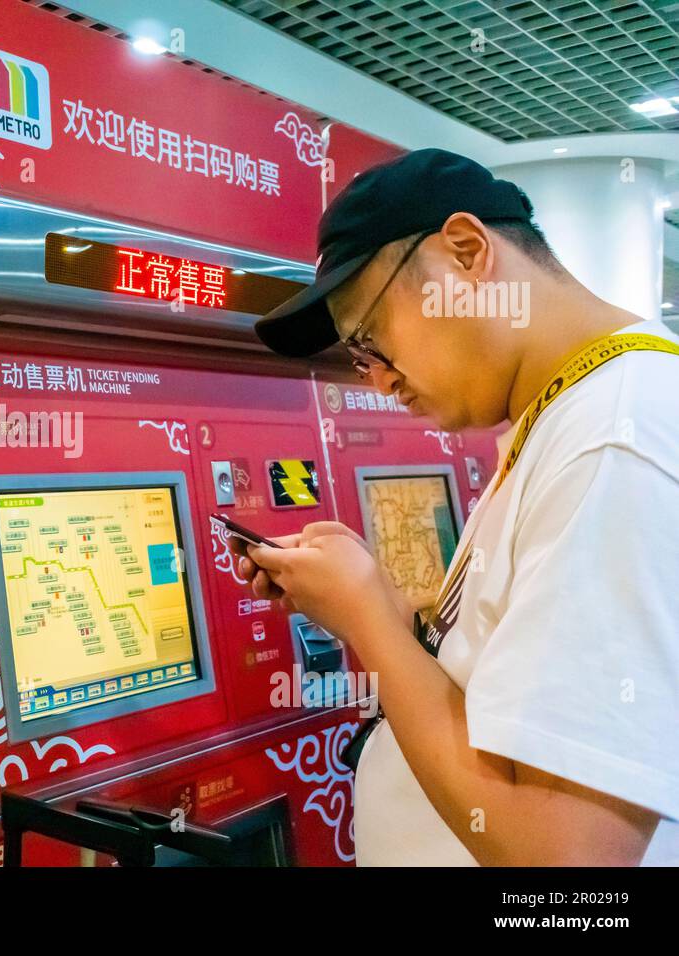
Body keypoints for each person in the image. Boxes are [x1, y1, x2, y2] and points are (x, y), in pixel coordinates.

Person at [230, 148, 679, 866]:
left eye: (371, 340)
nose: (378, 383)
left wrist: (370, 626)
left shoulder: (611, 442)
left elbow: (566, 864)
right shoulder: (566, 417)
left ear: (467, 253)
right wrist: (375, 599)